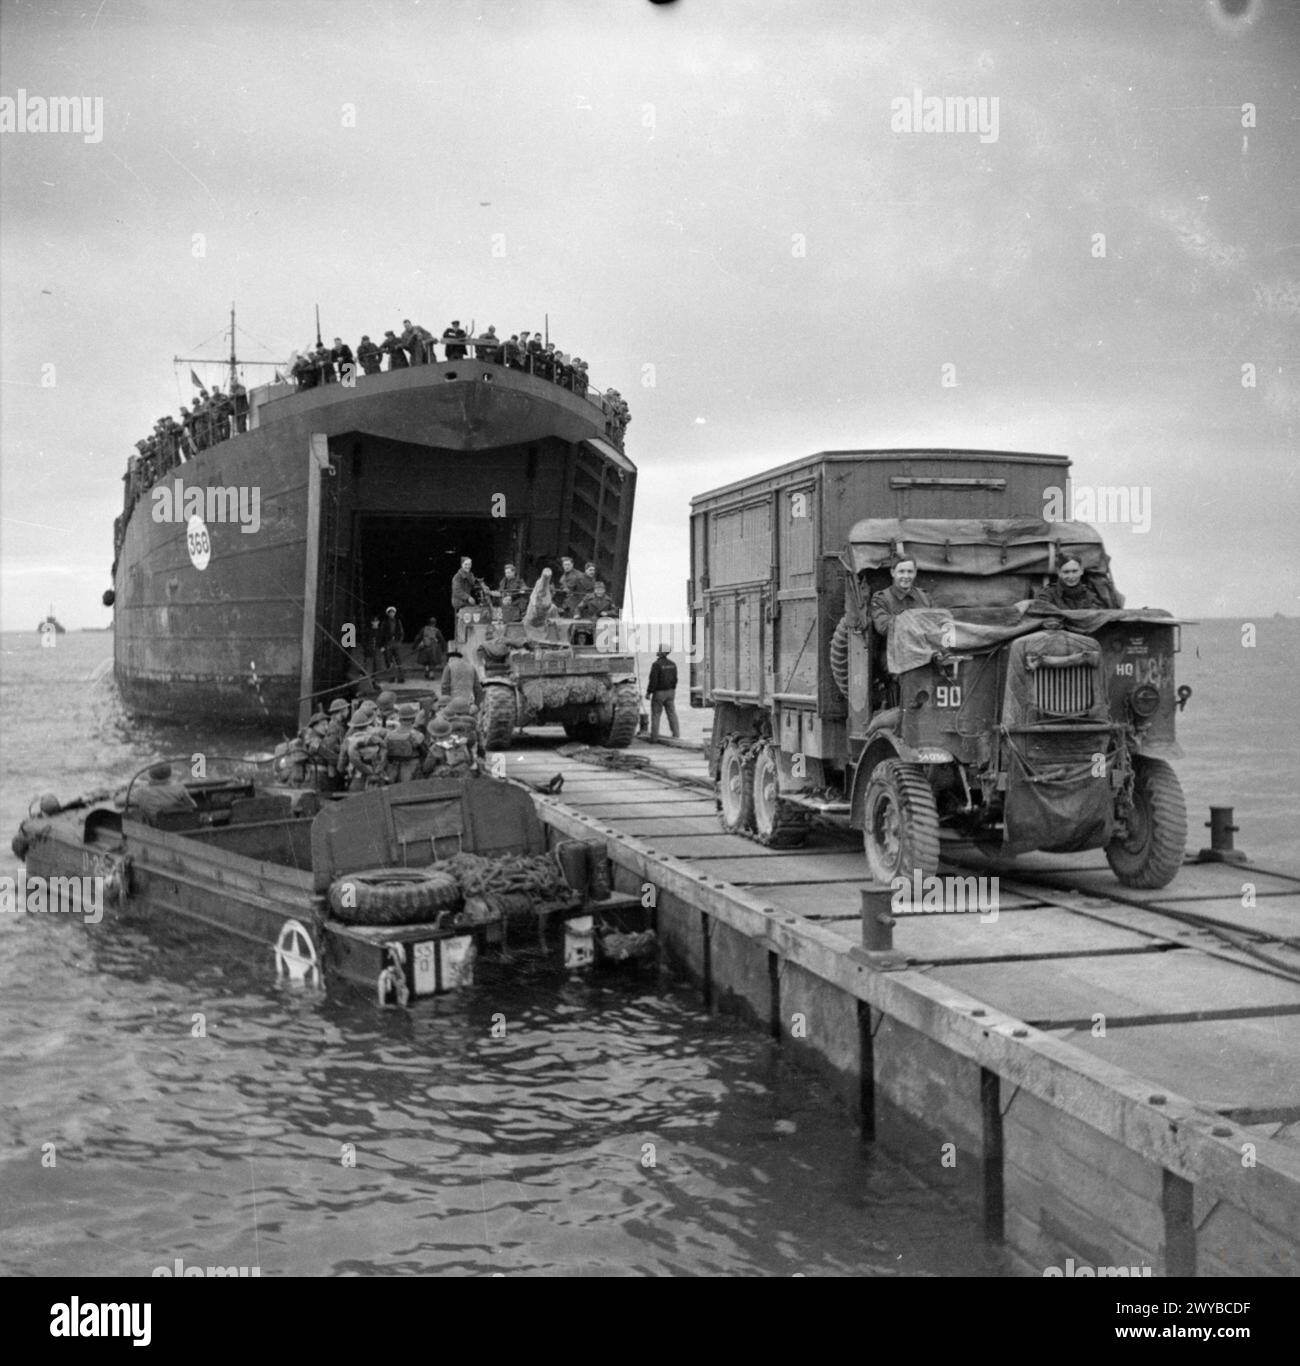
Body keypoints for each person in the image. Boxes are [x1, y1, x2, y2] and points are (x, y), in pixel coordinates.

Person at [869, 557, 931, 636]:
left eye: (910, 571)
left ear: (915, 573)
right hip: (895, 647)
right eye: (901, 572)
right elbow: (883, 627)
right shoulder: (881, 599)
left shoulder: (924, 597)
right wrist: (909, 619)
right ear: (893, 573)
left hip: (923, 647)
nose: (906, 576)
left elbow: (936, 622)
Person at [127, 762, 199, 824]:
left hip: (155, 827)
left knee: (134, 811)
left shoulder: (142, 791)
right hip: (179, 824)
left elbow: (119, 801)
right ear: (170, 774)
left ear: (150, 775)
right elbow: (193, 806)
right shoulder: (179, 788)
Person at [1034, 556, 1109, 611]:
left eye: (1075, 571)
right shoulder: (1046, 595)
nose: (1071, 576)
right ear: (1059, 572)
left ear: (1081, 571)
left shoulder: (1090, 595)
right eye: (1066, 572)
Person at [646, 645, 680, 742]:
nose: (657, 651)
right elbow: (675, 679)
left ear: (662, 652)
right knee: (672, 714)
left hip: (659, 693)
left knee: (656, 715)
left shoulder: (656, 665)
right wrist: (672, 689)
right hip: (671, 692)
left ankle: (654, 738)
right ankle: (676, 736)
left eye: (659, 649)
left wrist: (649, 692)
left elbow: (653, 680)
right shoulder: (673, 664)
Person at [379, 607, 405, 682]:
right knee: (389, 661)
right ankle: (392, 677)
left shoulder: (398, 621)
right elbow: (382, 634)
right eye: (390, 612)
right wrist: (382, 645)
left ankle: (401, 677)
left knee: (399, 661)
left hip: (396, 643)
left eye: (393, 612)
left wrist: (399, 641)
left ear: (395, 613)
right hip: (387, 644)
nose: (391, 613)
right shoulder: (385, 622)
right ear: (388, 613)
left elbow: (401, 632)